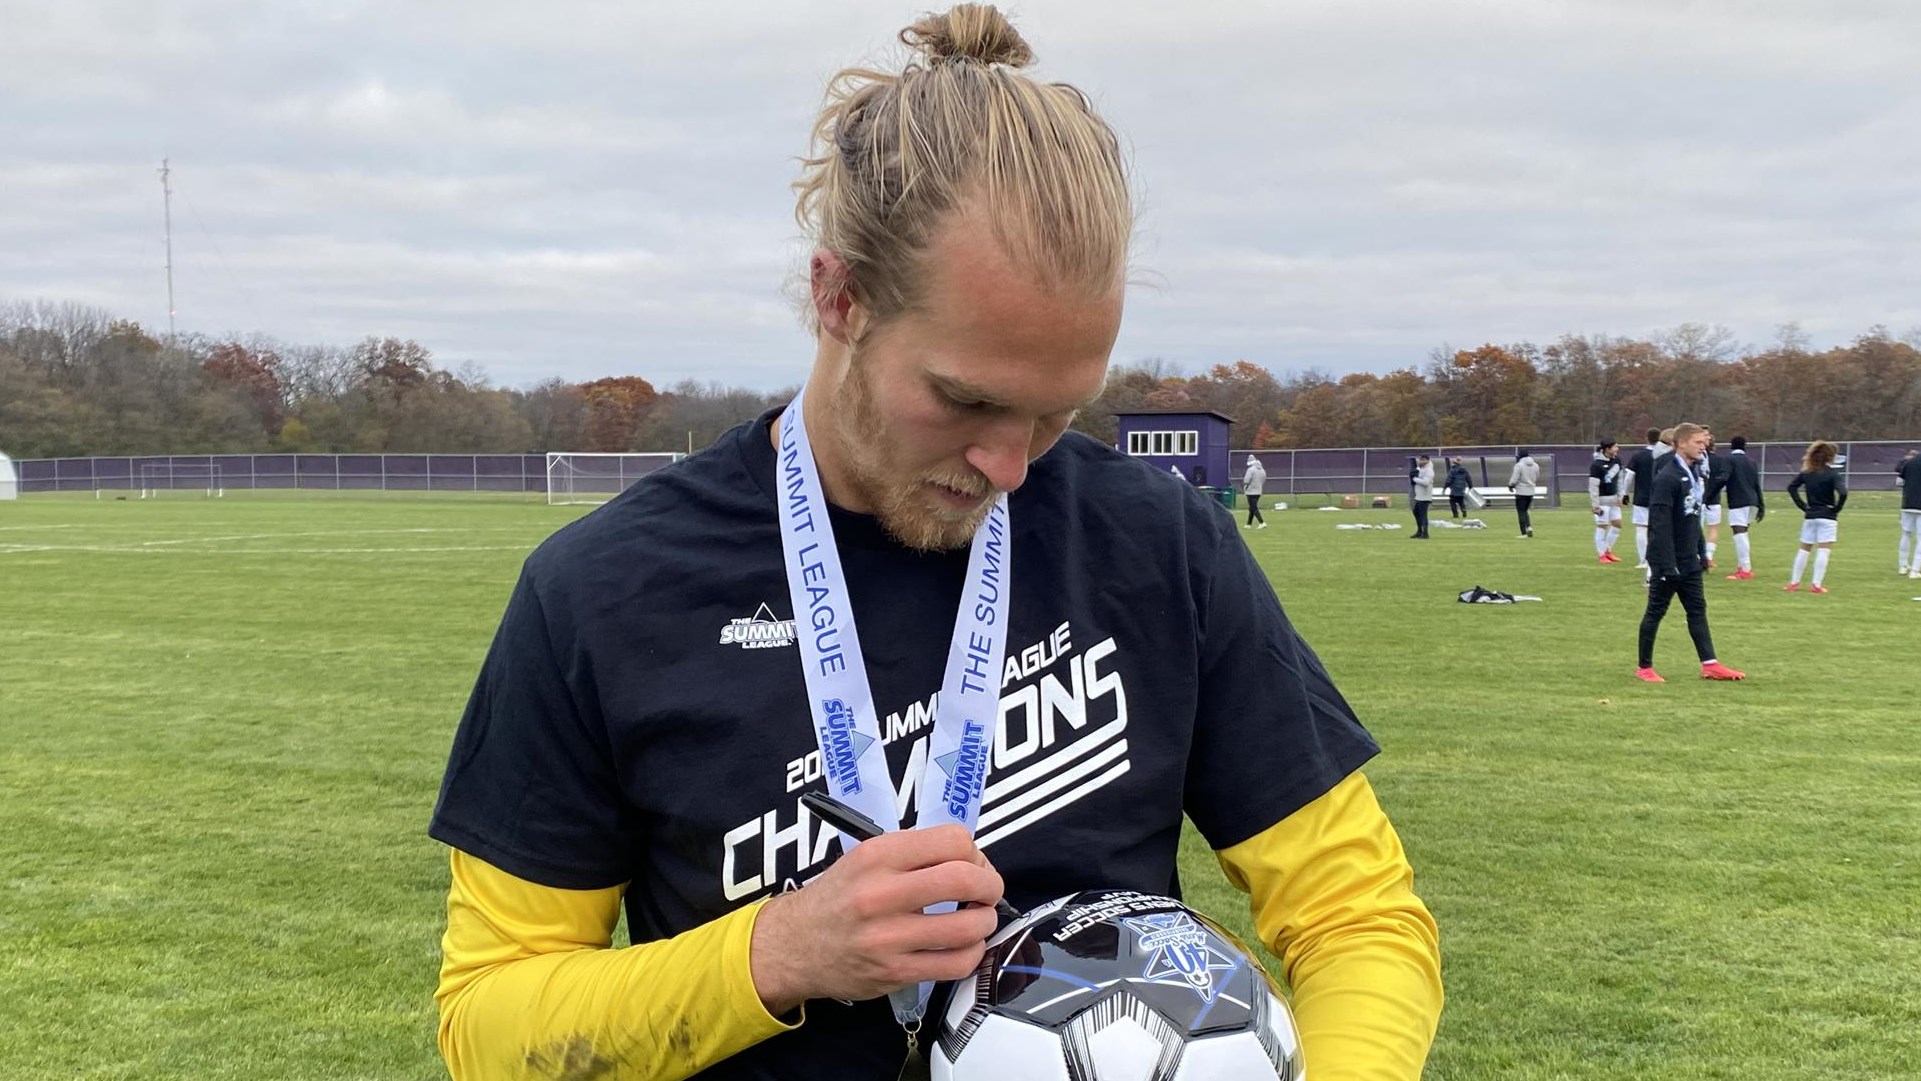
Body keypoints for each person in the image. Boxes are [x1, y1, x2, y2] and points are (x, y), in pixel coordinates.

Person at [426, 8, 1442, 1081]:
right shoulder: (603, 590)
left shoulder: (1157, 544)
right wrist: (777, 952)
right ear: (839, 298)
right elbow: (489, 1023)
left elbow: (1357, 918)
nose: (1009, 465)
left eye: (1056, 415)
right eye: (966, 400)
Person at [1637, 422, 1745, 683]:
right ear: (1681, 443)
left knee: (1697, 610)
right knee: (1656, 611)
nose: (1703, 446)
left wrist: (1702, 552)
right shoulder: (1667, 477)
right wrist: (1666, 563)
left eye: (1704, 442)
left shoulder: (1693, 473)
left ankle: (1710, 664)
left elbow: (1692, 519)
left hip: (1689, 559)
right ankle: (1644, 668)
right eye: (1698, 442)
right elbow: (1659, 524)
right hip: (1668, 560)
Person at [1784, 439, 1847, 593]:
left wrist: (1803, 506)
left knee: (1804, 549)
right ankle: (1816, 584)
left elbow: (1792, 487)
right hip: (1827, 515)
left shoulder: (1807, 473)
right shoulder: (1833, 474)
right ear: (1830, 457)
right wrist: (1837, 508)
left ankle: (1794, 582)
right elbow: (1843, 492)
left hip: (1811, 515)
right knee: (1823, 549)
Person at [1721, 435, 1765, 580]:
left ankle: (1745, 569)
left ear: (1731, 445)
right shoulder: (1751, 461)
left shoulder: (1729, 460)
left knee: (1739, 533)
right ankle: (1742, 566)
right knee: (1743, 532)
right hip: (1752, 500)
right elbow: (1756, 484)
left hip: (1738, 500)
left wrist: (1709, 495)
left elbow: (1724, 478)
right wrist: (1761, 504)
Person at [1621, 427, 1663, 569]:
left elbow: (1628, 477)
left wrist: (1624, 493)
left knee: (1641, 528)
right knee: (1659, 529)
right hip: (1661, 497)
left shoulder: (1639, 456)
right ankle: (1659, 558)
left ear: (1647, 438)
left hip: (1642, 497)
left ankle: (1644, 560)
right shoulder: (1665, 455)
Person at [1587, 440, 1624, 564]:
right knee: (1602, 526)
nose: (1617, 448)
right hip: (1602, 500)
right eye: (1615, 446)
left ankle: (1608, 550)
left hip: (1613, 500)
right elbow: (1593, 486)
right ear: (1607, 449)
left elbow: (1620, 479)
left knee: (1617, 524)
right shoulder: (1596, 465)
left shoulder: (1617, 461)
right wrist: (1595, 505)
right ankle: (1601, 554)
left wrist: (1621, 496)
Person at [1699, 434, 1731, 568]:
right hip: (1714, 499)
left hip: (1700, 498)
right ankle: (1709, 556)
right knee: (1713, 528)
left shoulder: (1697, 459)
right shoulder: (1720, 460)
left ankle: (1699, 556)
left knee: (1697, 528)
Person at [1895, 449, 1920, 578]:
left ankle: (1903, 565)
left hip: (1908, 503)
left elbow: (1899, 482)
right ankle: (1915, 569)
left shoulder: (1910, 462)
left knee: (1906, 533)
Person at [1509, 450, 1539, 538]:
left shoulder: (1519, 465)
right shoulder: (1536, 465)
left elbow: (1515, 478)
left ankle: (1524, 533)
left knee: (1521, 512)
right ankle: (1529, 527)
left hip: (1521, 491)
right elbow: (1537, 476)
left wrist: (1510, 485)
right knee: (1526, 511)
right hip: (1531, 491)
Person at [1410, 454, 1433, 539]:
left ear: (1427, 460)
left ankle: (1425, 533)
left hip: (1425, 495)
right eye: (1420, 460)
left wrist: (1415, 479)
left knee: (1423, 514)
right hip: (1419, 495)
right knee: (1416, 512)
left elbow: (1426, 482)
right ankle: (1419, 531)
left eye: (1424, 460)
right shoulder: (1421, 469)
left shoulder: (1429, 470)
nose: (1421, 461)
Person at [1243, 453, 1267, 530]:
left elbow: (1246, 480)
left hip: (1251, 491)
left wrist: (1246, 485)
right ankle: (1248, 524)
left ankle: (1262, 522)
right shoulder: (1262, 470)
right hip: (1258, 490)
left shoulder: (1250, 470)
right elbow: (1263, 479)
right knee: (1252, 508)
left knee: (1253, 507)